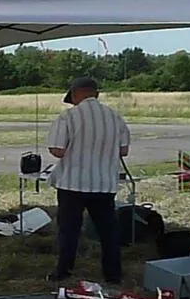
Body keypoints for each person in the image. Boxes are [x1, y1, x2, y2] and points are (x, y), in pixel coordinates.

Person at [46, 76, 130, 284]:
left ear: (75, 95)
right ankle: (113, 274)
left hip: (73, 183)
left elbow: (57, 150)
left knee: (69, 231)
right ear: (96, 94)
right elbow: (124, 150)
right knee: (108, 232)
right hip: (104, 183)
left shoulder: (68, 117)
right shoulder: (115, 117)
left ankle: (64, 271)